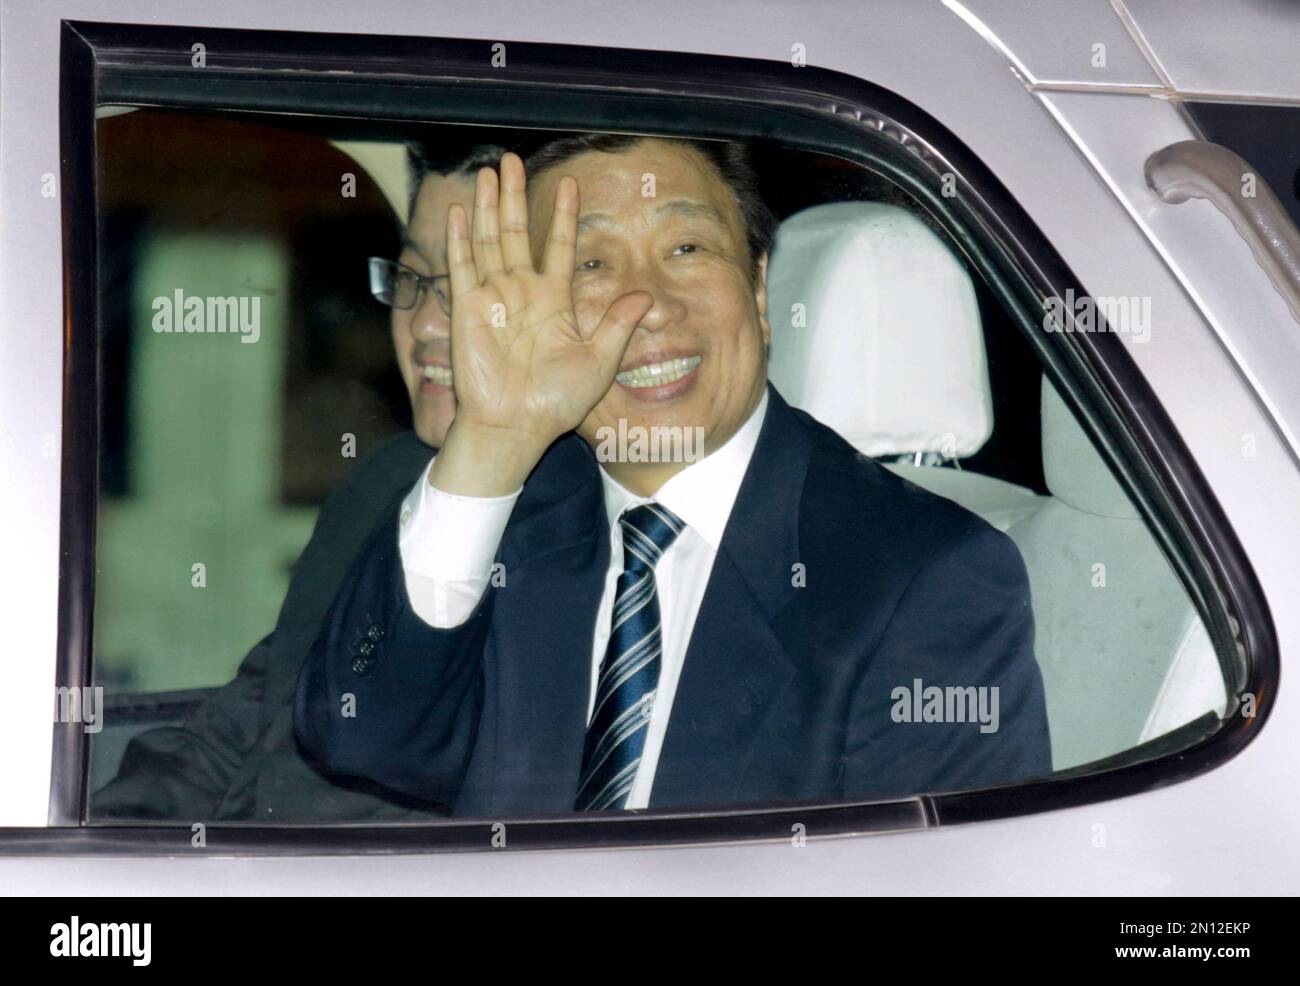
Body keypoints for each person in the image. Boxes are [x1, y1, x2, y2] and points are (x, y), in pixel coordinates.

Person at [295, 135, 1052, 814]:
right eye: (591, 264)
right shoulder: (509, 513)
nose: (649, 306)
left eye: (687, 248)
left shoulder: (922, 577)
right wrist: (491, 436)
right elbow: (357, 735)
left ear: (758, 287)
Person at [92, 140, 506, 822]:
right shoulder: (387, 482)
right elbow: (235, 732)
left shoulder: (594, 527)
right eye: (414, 279)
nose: (428, 325)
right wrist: (106, 854)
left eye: (470, 285)